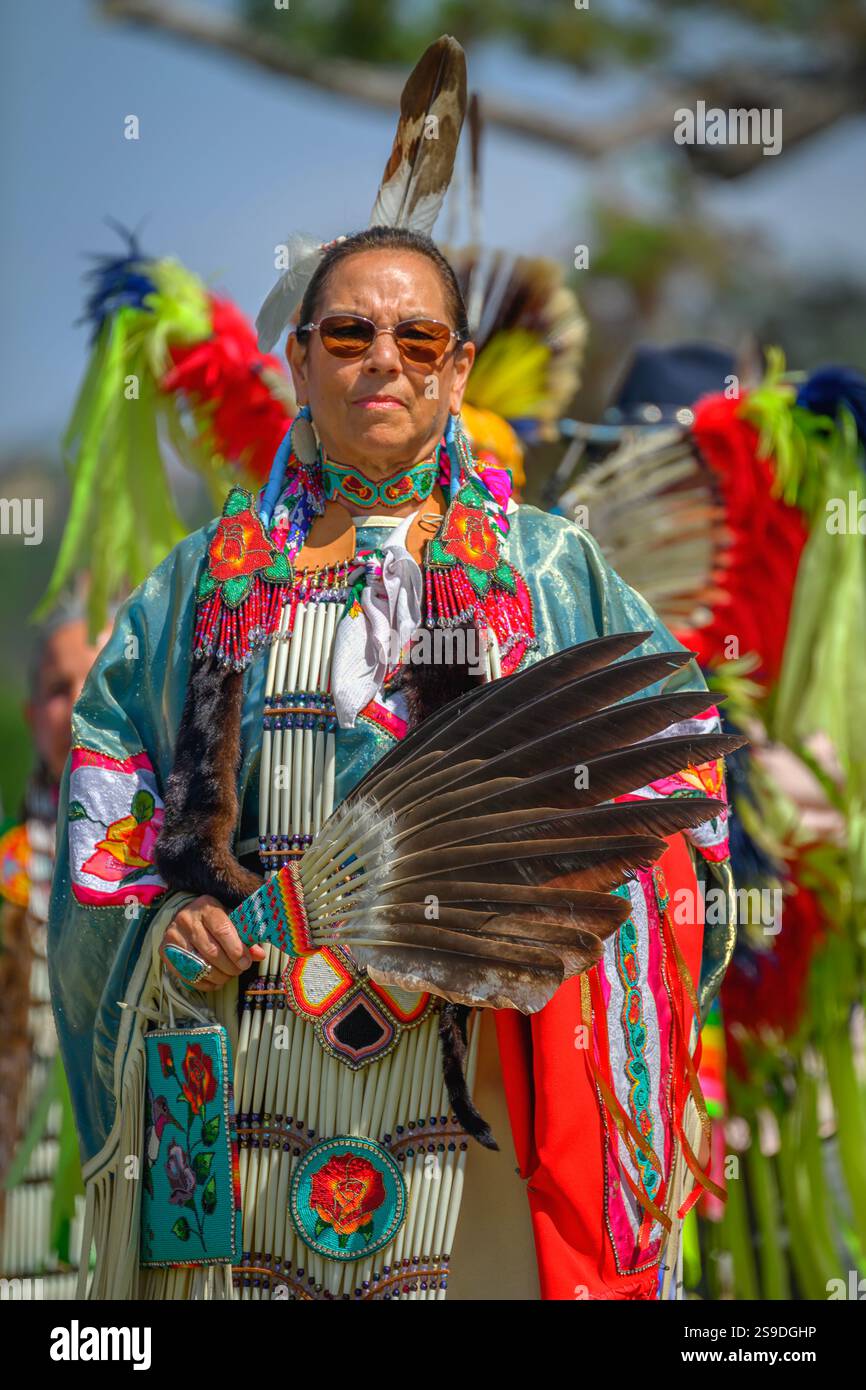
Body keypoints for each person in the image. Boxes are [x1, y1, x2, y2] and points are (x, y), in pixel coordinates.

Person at [49, 211, 737, 1300]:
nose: (384, 359)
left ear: (458, 371)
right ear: (299, 361)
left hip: (488, 1074)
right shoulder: (194, 588)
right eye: (349, 333)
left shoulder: (551, 572)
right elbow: (107, 800)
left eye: (418, 340)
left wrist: (545, 894)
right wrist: (160, 918)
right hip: (246, 1044)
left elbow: (677, 776)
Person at [0, 598, 110, 1293]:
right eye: (56, 690)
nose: (74, 712)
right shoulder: (7, 873)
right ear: (29, 715)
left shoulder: (179, 875)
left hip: (130, 1226)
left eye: (94, 685)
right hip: (17, 1229)